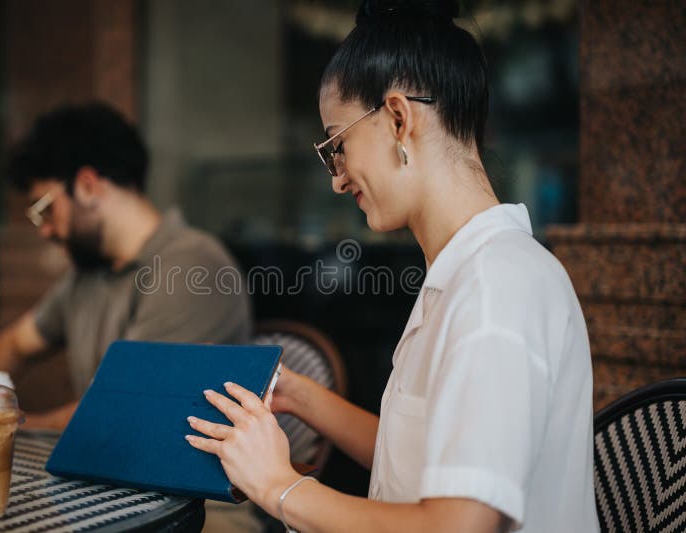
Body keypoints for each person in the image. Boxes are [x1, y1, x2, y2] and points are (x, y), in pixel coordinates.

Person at [185, 1, 599, 532]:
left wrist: (279, 487)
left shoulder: (498, 288)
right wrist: (298, 394)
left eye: (337, 144)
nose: (336, 179)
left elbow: (458, 525)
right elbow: (418, 456)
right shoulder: (467, 273)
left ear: (399, 119)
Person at [0, 102, 253, 429]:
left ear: (87, 185)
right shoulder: (90, 274)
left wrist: (6, 427)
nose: (45, 230)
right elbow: (17, 344)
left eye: (45, 209)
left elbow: (125, 407)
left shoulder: (192, 266)